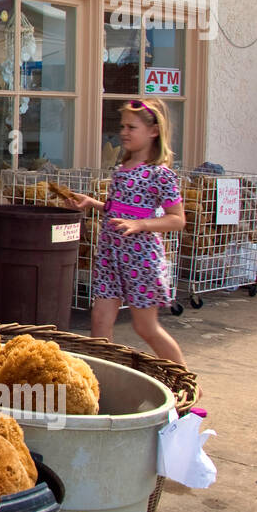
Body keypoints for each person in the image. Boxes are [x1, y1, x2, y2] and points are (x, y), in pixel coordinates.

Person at [63, 97, 186, 363]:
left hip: (141, 259)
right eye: (123, 126)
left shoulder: (159, 174)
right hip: (111, 255)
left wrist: (141, 224)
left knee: (145, 327)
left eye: (131, 127)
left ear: (153, 131)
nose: (123, 132)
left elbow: (177, 219)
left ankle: (188, 383)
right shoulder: (122, 169)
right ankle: (101, 383)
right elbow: (117, 210)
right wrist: (92, 203)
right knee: (99, 322)